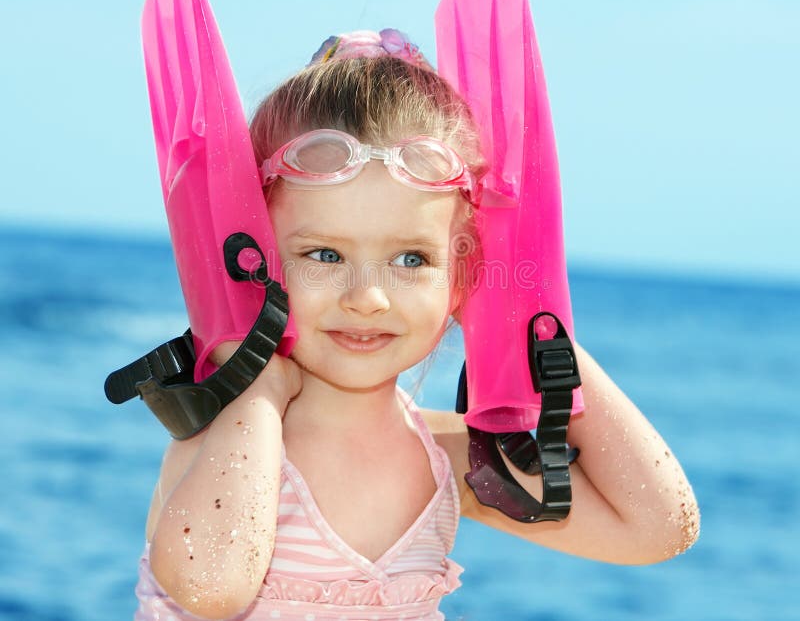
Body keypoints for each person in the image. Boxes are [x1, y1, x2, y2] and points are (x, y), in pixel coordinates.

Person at [134, 30, 700, 621]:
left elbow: (657, 527)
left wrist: (528, 324)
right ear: (258, 260)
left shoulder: (446, 458)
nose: (368, 297)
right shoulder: (223, 441)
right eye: (324, 255)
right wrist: (256, 398)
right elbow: (210, 587)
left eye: (412, 260)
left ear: (459, 277)